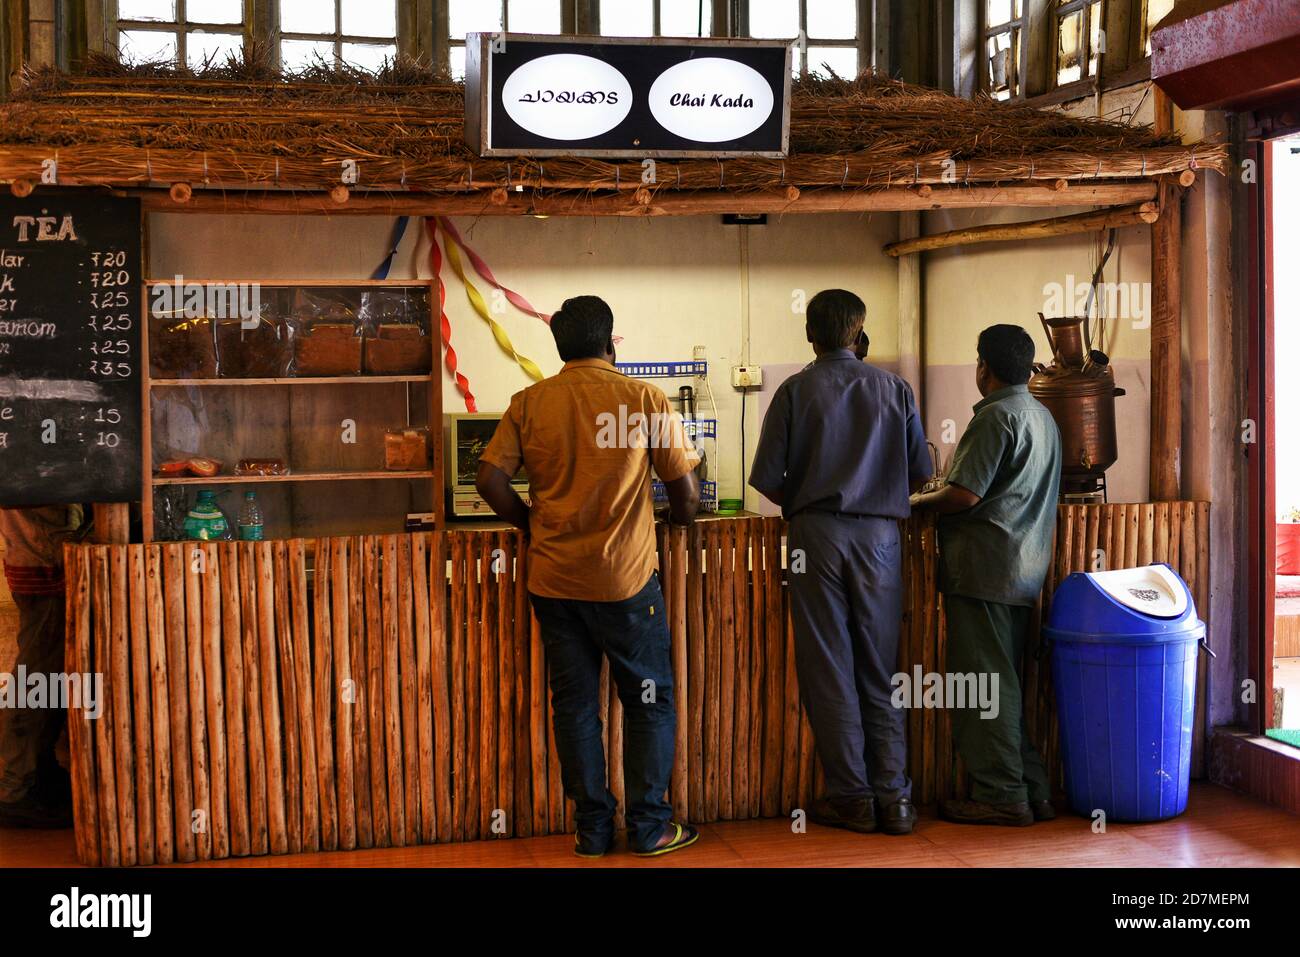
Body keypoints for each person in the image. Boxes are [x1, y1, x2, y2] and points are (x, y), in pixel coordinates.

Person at [476, 295, 701, 858]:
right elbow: (687, 494)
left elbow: (488, 480)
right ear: (610, 340)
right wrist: (676, 517)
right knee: (648, 699)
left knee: (575, 705)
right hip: (626, 580)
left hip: (554, 581)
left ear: (558, 345)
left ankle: (592, 830)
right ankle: (650, 827)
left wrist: (529, 522)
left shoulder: (530, 402)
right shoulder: (642, 398)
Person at [749, 289, 931, 836]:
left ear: (811, 333)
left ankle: (851, 798)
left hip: (814, 538)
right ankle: (895, 800)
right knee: (881, 668)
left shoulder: (794, 391)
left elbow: (766, 480)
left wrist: (812, 502)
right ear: (859, 332)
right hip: (881, 540)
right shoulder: (895, 389)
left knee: (830, 668)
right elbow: (921, 473)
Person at [910, 324, 1061, 827]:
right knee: (1008, 684)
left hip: (984, 572)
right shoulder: (1042, 417)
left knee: (984, 687)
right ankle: (1033, 790)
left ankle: (1000, 795)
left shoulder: (995, 418)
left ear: (983, 366)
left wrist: (913, 502)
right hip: (1025, 571)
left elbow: (963, 495)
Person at [0, 505, 83, 828]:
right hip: (42, 559)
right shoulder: (24, 455)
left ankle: (38, 770)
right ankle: (16, 785)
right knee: (37, 677)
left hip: (39, 555)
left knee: (47, 676)